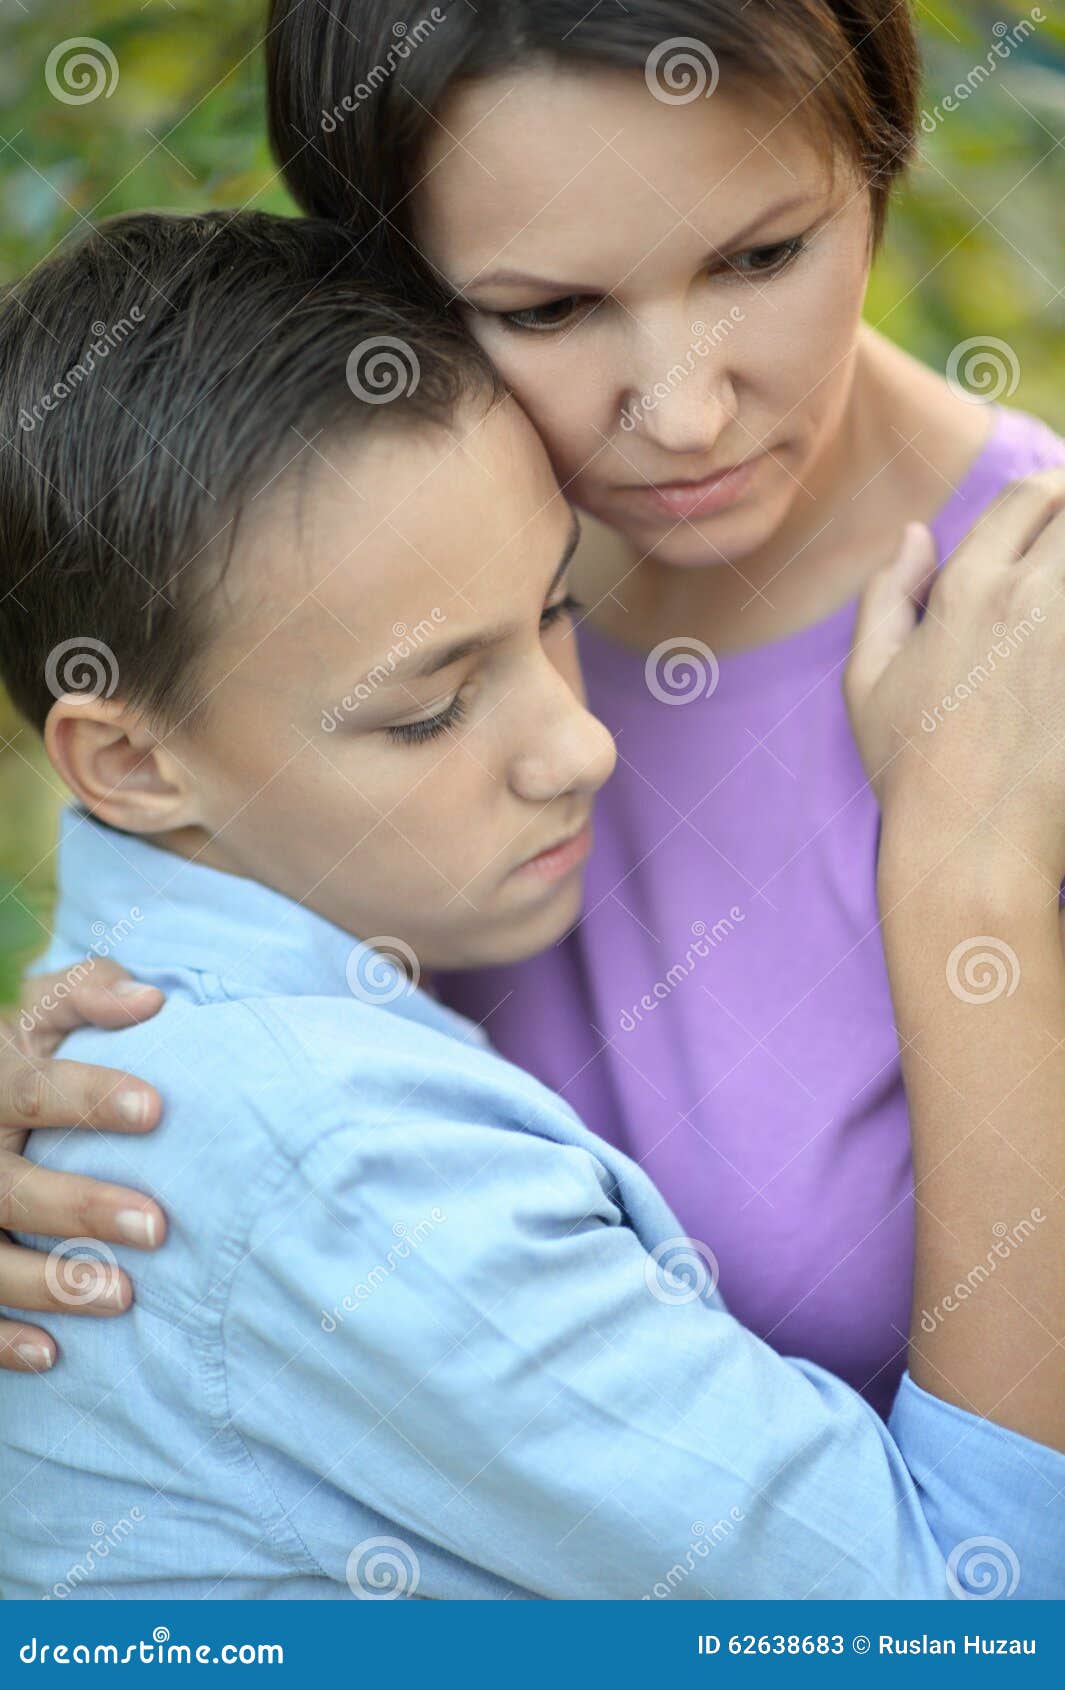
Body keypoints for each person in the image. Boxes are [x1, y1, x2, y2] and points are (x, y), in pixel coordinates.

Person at [3, 1, 1062, 1418]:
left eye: (761, 255)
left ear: (875, 169)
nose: (684, 417)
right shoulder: (281, 604)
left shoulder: (1030, 629)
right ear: (385, 283)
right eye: (544, 309)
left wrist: (962, 889)